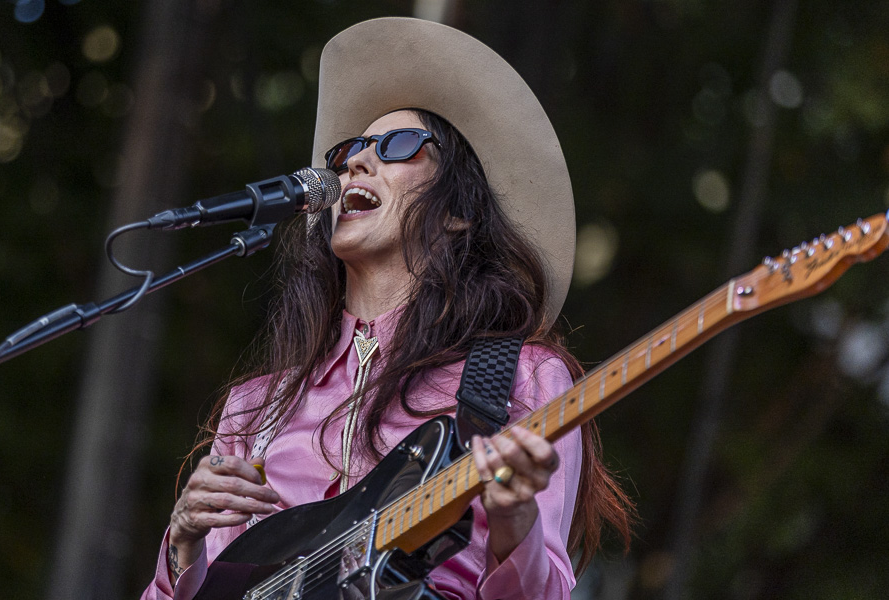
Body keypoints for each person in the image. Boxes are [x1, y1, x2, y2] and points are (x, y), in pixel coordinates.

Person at [142, 17, 632, 600]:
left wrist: (515, 521)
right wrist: (183, 547)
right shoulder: (256, 409)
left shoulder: (520, 376)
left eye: (397, 146)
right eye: (349, 151)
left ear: (459, 212)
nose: (354, 164)